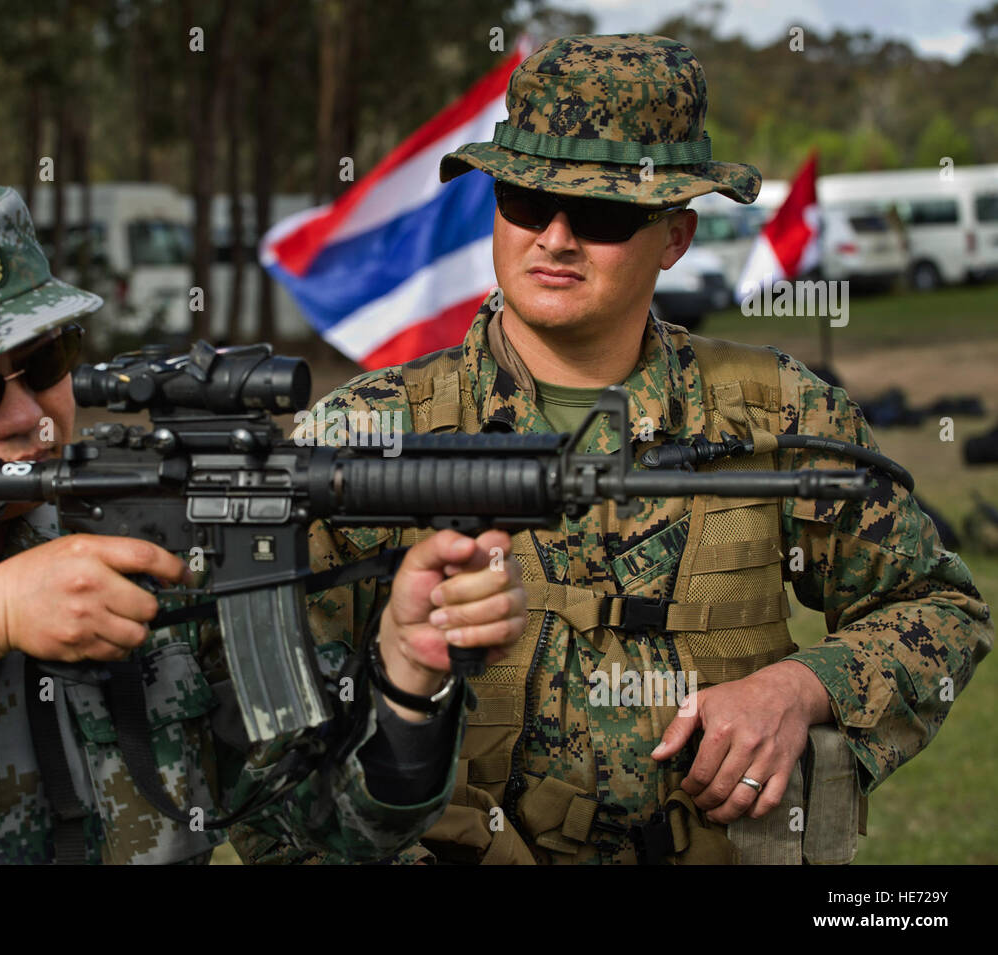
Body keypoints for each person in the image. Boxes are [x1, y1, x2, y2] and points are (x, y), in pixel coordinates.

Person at [235, 34, 993, 865]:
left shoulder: (777, 413)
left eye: (600, 214)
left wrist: (799, 689)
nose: (554, 238)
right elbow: (270, 765)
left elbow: (939, 609)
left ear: (674, 237)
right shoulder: (366, 435)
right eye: (526, 200)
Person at [0, 169, 526, 864]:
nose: (27, 416)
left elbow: (323, 826)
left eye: (47, 363)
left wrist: (407, 684)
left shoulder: (139, 516)